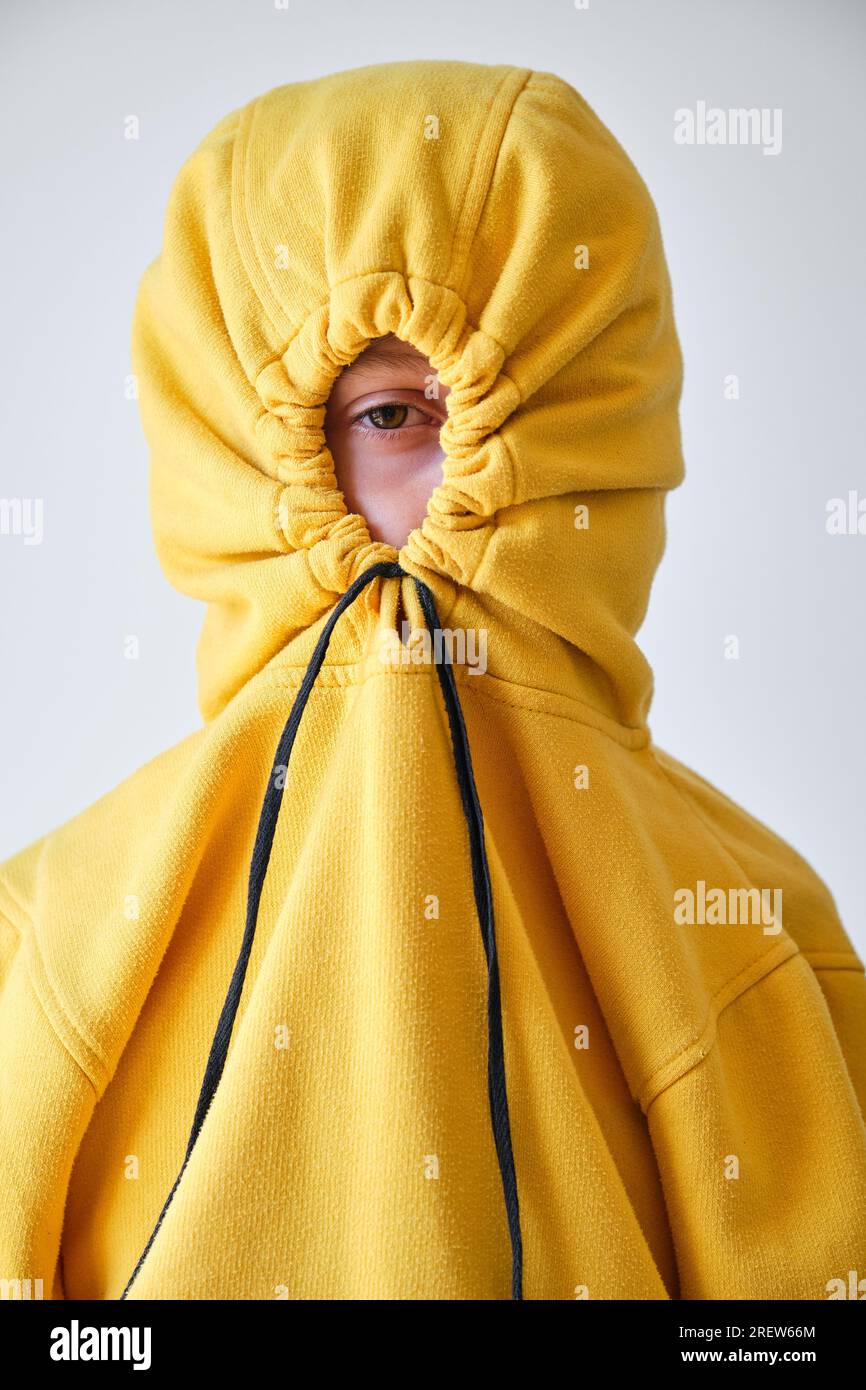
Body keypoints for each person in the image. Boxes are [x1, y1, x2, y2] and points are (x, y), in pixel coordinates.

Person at [1, 59, 864, 1302]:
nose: (475, 470)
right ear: (252, 449)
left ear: (599, 428)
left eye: (522, 408)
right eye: (394, 416)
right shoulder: (60, 941)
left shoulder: (753, 931)